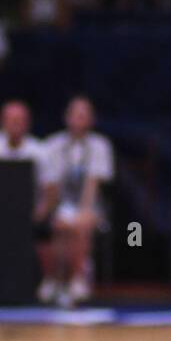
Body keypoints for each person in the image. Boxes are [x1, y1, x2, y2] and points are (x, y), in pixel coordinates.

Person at [40, 96, 115, 306]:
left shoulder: (100, 145)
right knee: (59, 225)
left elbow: (93, 185)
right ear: (67, 117)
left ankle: (76, 280)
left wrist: (83, 213)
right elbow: (50, 185)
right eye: (76, 114)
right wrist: (57, 213)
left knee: (81, 225)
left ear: (92, 119)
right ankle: (55, 279)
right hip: (60, 204)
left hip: (90, 206)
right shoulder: (53, 144)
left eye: (85, 115)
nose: (79, 119)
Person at [0, 100, 59, 288]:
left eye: (19, 120)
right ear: (1, 122)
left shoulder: (40, 152)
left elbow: (51, 191)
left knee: (48, 229)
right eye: (11, 120)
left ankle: (49, 281)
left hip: (33, 214)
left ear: (27, 123)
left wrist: (39, 213)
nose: (15, 124)